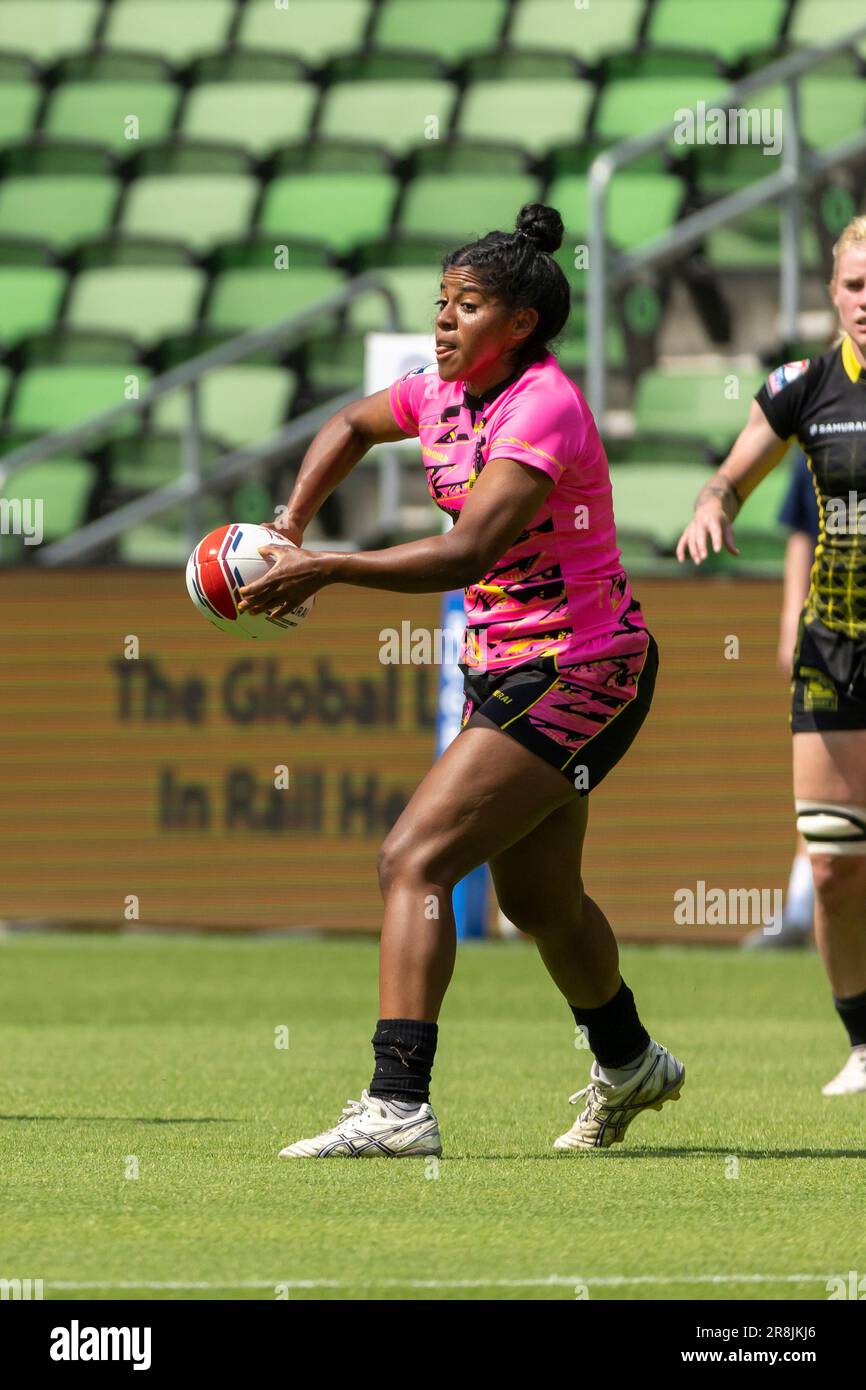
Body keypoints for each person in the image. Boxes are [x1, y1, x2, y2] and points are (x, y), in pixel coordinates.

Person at [239, 203, 685, 1156]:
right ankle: (631, 1062)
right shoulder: (437, 390)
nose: (442, 320)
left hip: (584, 666)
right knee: (539, 902)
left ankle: (397, 1104)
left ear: (519, 325)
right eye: (441, 301)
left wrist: (328, 569)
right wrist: (291, 525)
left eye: (466, 304)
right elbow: (350, 424)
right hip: (507, 666)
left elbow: (467, 550)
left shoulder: (545, 407)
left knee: (414, 859)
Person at [676, 214, 866, 1096]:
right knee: (831, 868)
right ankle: (864, 1042)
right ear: (833, 293)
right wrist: (714, 504)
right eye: (856, 285)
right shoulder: (805, 386)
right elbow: (731, 475)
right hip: (835, 653)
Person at [742, 451, 818, 950]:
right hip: (834, 634)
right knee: (825, 773)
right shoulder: (821, 419)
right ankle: (801, 908)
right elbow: (802, 530)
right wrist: (792, 616)